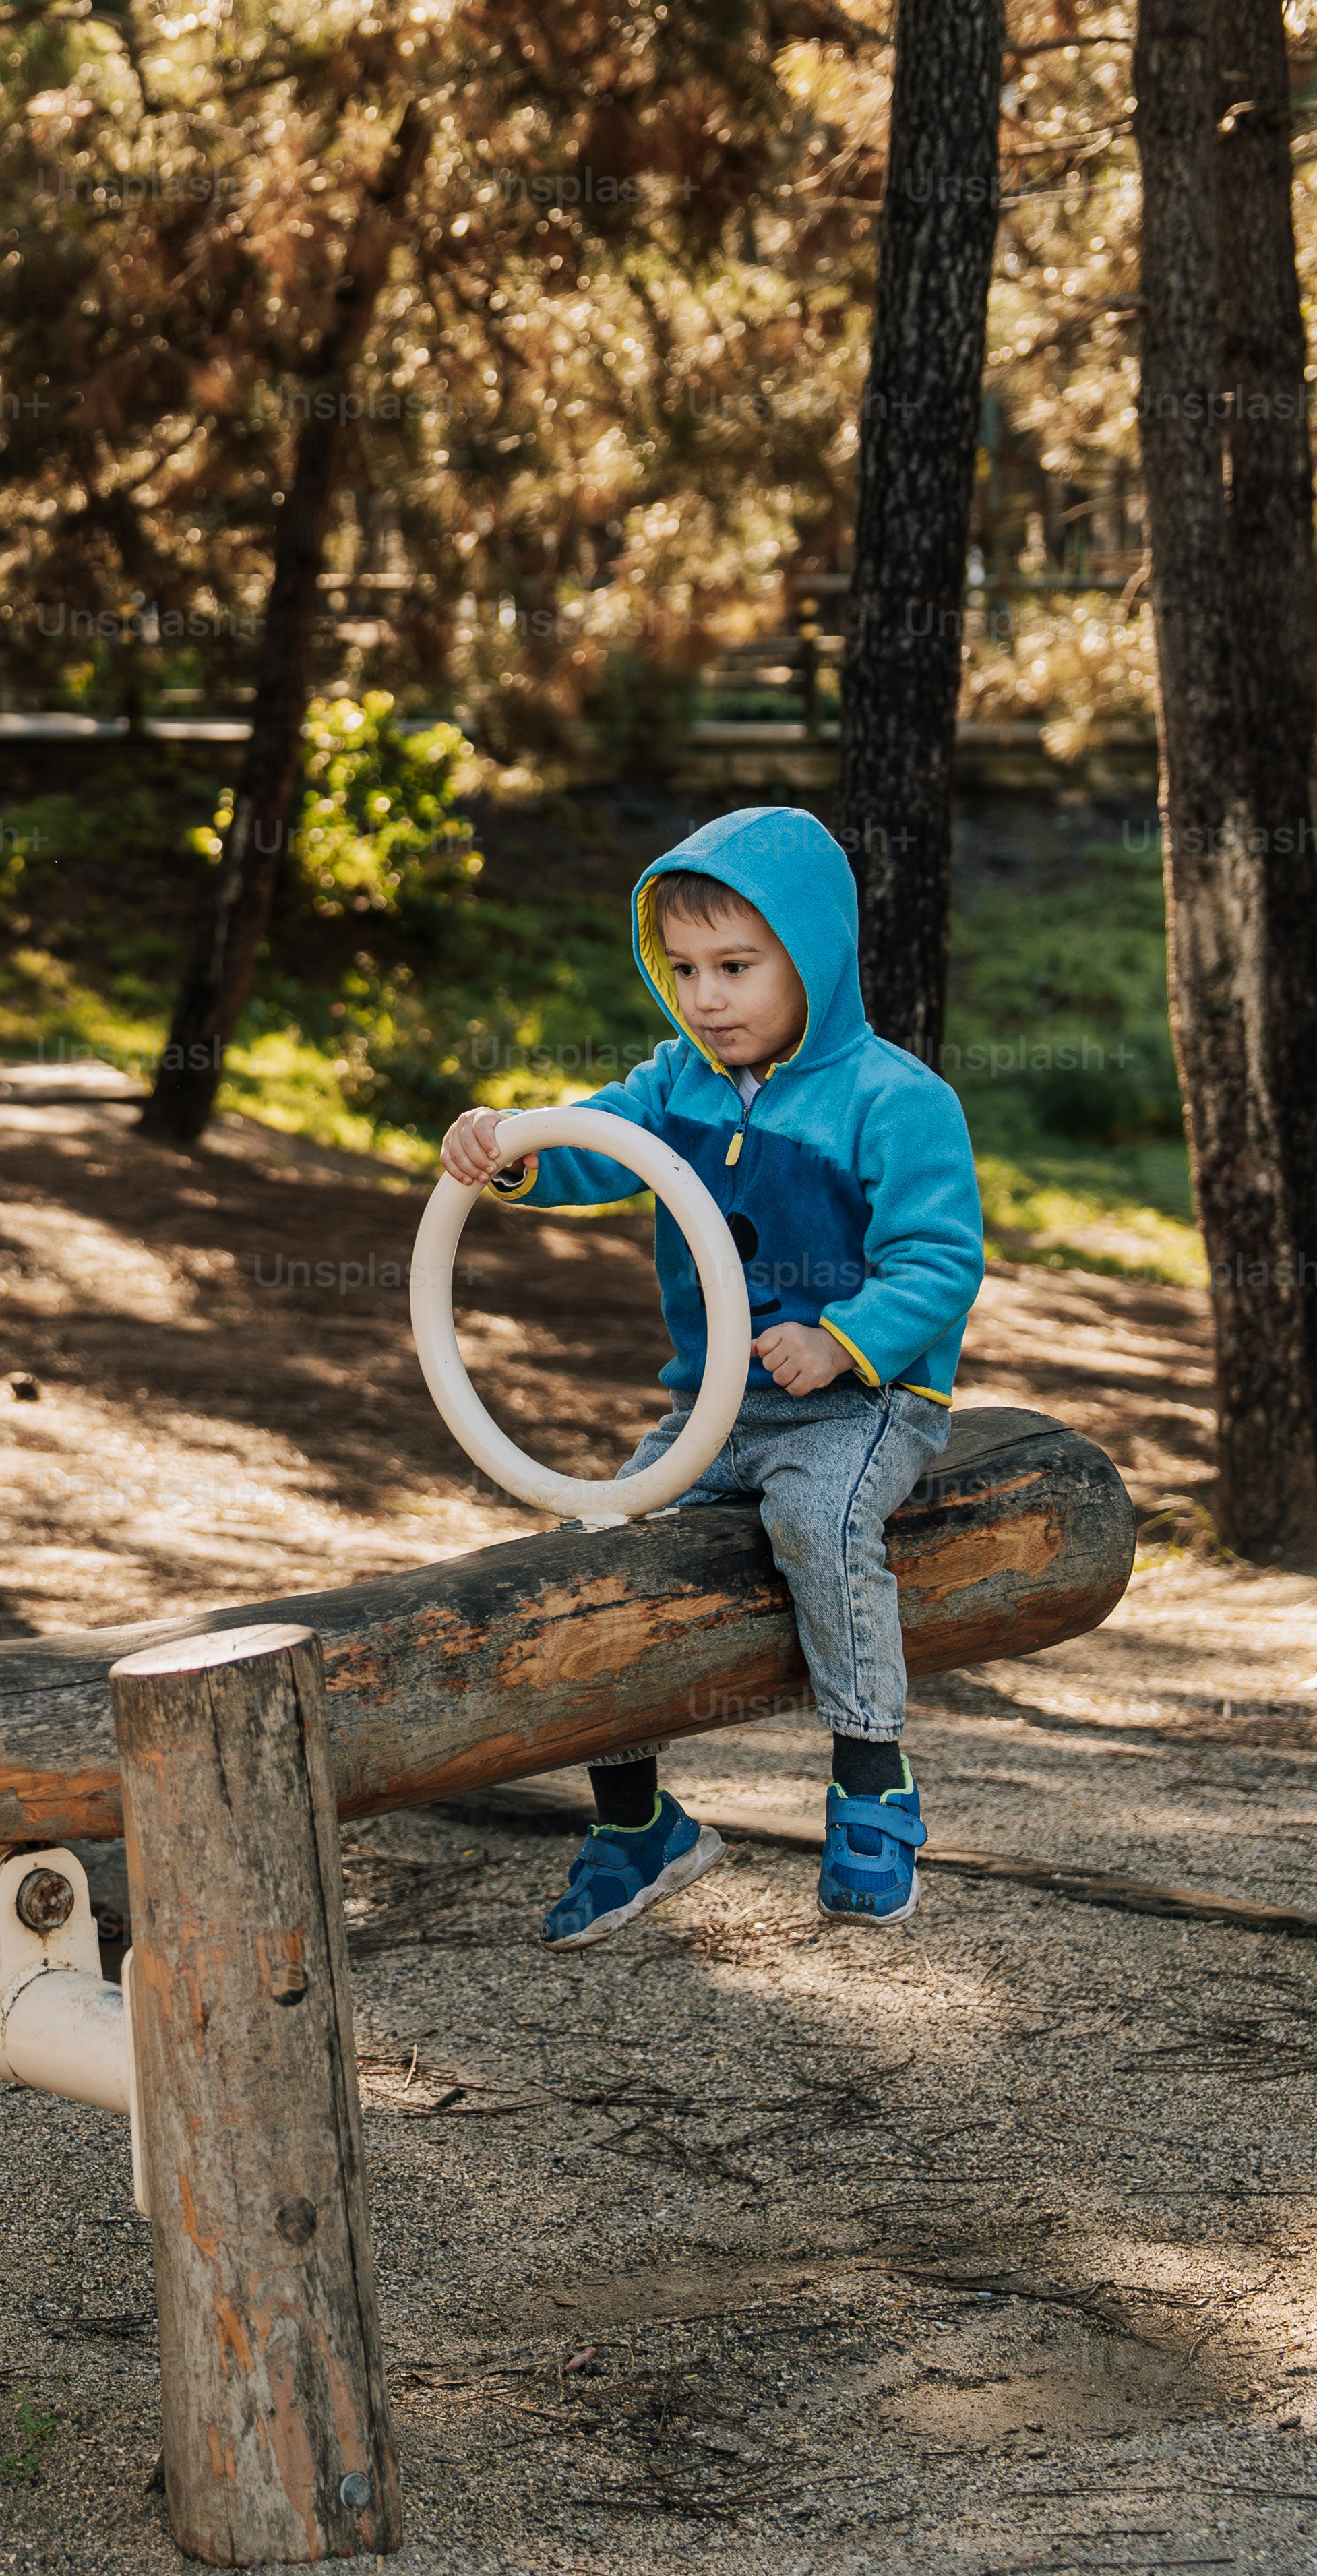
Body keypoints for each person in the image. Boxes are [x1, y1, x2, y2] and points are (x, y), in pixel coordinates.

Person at [437, 803, 985, 1943]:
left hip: (860, 1402)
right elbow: (593, 1146)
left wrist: (845, 1339)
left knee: (822, 1525)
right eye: (684, 969)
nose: (707, 997)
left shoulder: (896, 1100)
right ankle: (639, 1823)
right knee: (597, 1544)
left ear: (814, 961)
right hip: (713, 1410)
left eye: (737, 967)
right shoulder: (674, 1084)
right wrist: (507, 1143)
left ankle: (873, 1783)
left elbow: (940, 1260)